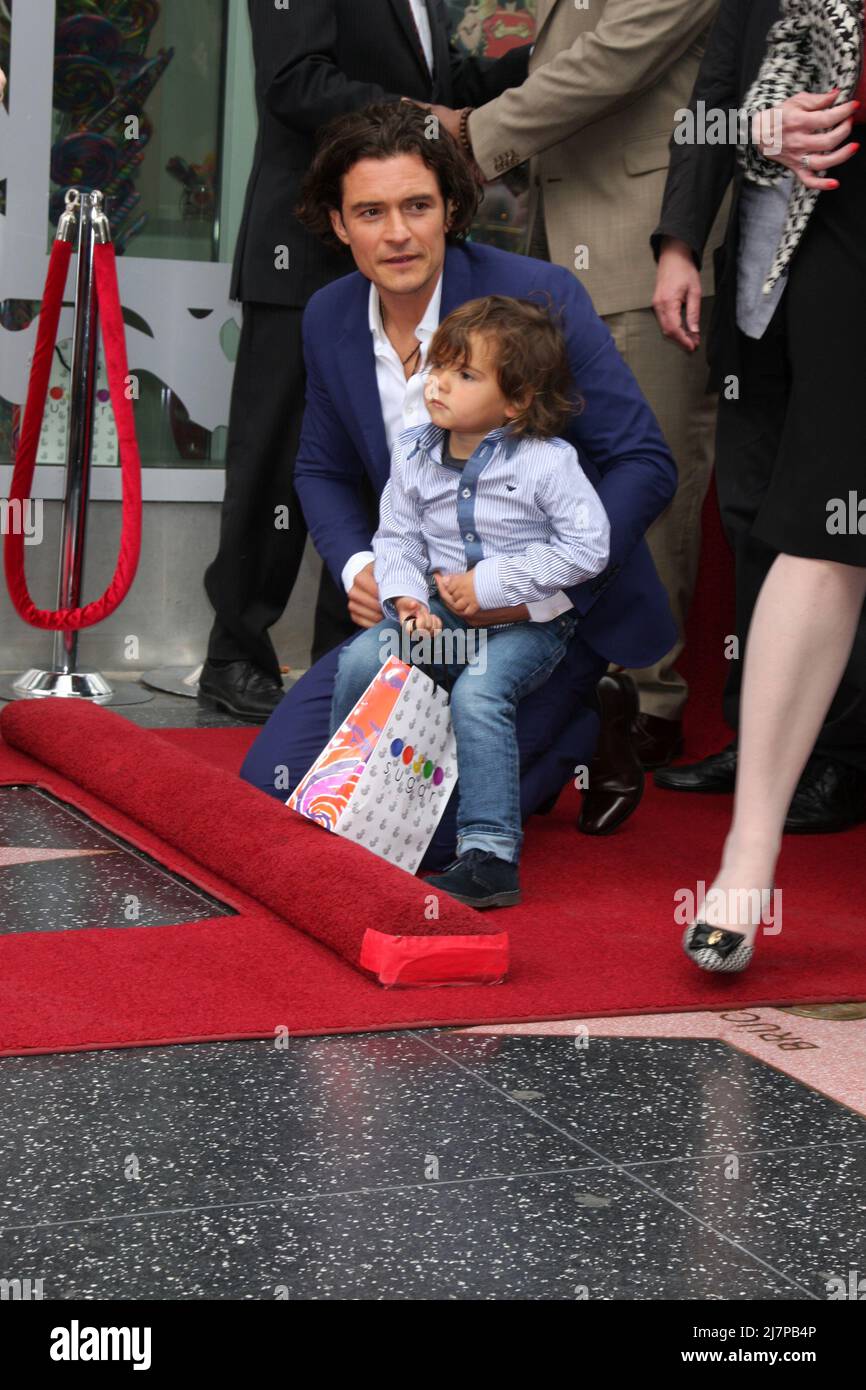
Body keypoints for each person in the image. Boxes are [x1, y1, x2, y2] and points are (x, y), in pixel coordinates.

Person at [238, 101, 677, 870]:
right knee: (274, 793)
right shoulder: (328, 315)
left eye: (417, 206)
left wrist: (533, 584)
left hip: (547, 613)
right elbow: (324, 470)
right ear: (338, 224)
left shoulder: (539, 296)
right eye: (370, 212)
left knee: (416, 837)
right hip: (422, 615)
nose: (397, 233)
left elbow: (645, 461)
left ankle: (583, 718)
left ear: (450, 209)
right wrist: (360, 568)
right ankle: (554, 736)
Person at [415, 0, 726, 783]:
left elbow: (611, 60)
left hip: (643, 244)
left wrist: (470, 137)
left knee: (641, 470)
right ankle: (569, 682)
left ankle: (645, 699)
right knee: (547, 473)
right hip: (557, 234)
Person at [198, 0, 530, 722]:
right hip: (306, 257)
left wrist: (537, 64)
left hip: (397, 272)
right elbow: (296, 82)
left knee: (381, 462)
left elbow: (446, 82)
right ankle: (234, 653)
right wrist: (421, 122)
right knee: (276, 459)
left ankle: (339, 656)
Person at [651, 0, 866, 835]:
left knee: (833, 523)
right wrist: (677, 245)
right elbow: (706, 107)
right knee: (749, 509)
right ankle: (762, 736)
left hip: (846, 273)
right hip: (757, 280)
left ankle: (840, 755)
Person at [330, 295, 610, 906]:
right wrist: (405, 598)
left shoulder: (548, 463)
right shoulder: (413, 450)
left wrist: (491, 584)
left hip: (528, 627)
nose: (438, 385)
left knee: (477, 691)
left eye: (464, 375)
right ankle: (346, 805)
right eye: (436, 367)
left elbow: (588, 551)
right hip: (442, 616)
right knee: (361, 659)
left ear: (515, 401)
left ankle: (489, 856)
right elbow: (398, 536)